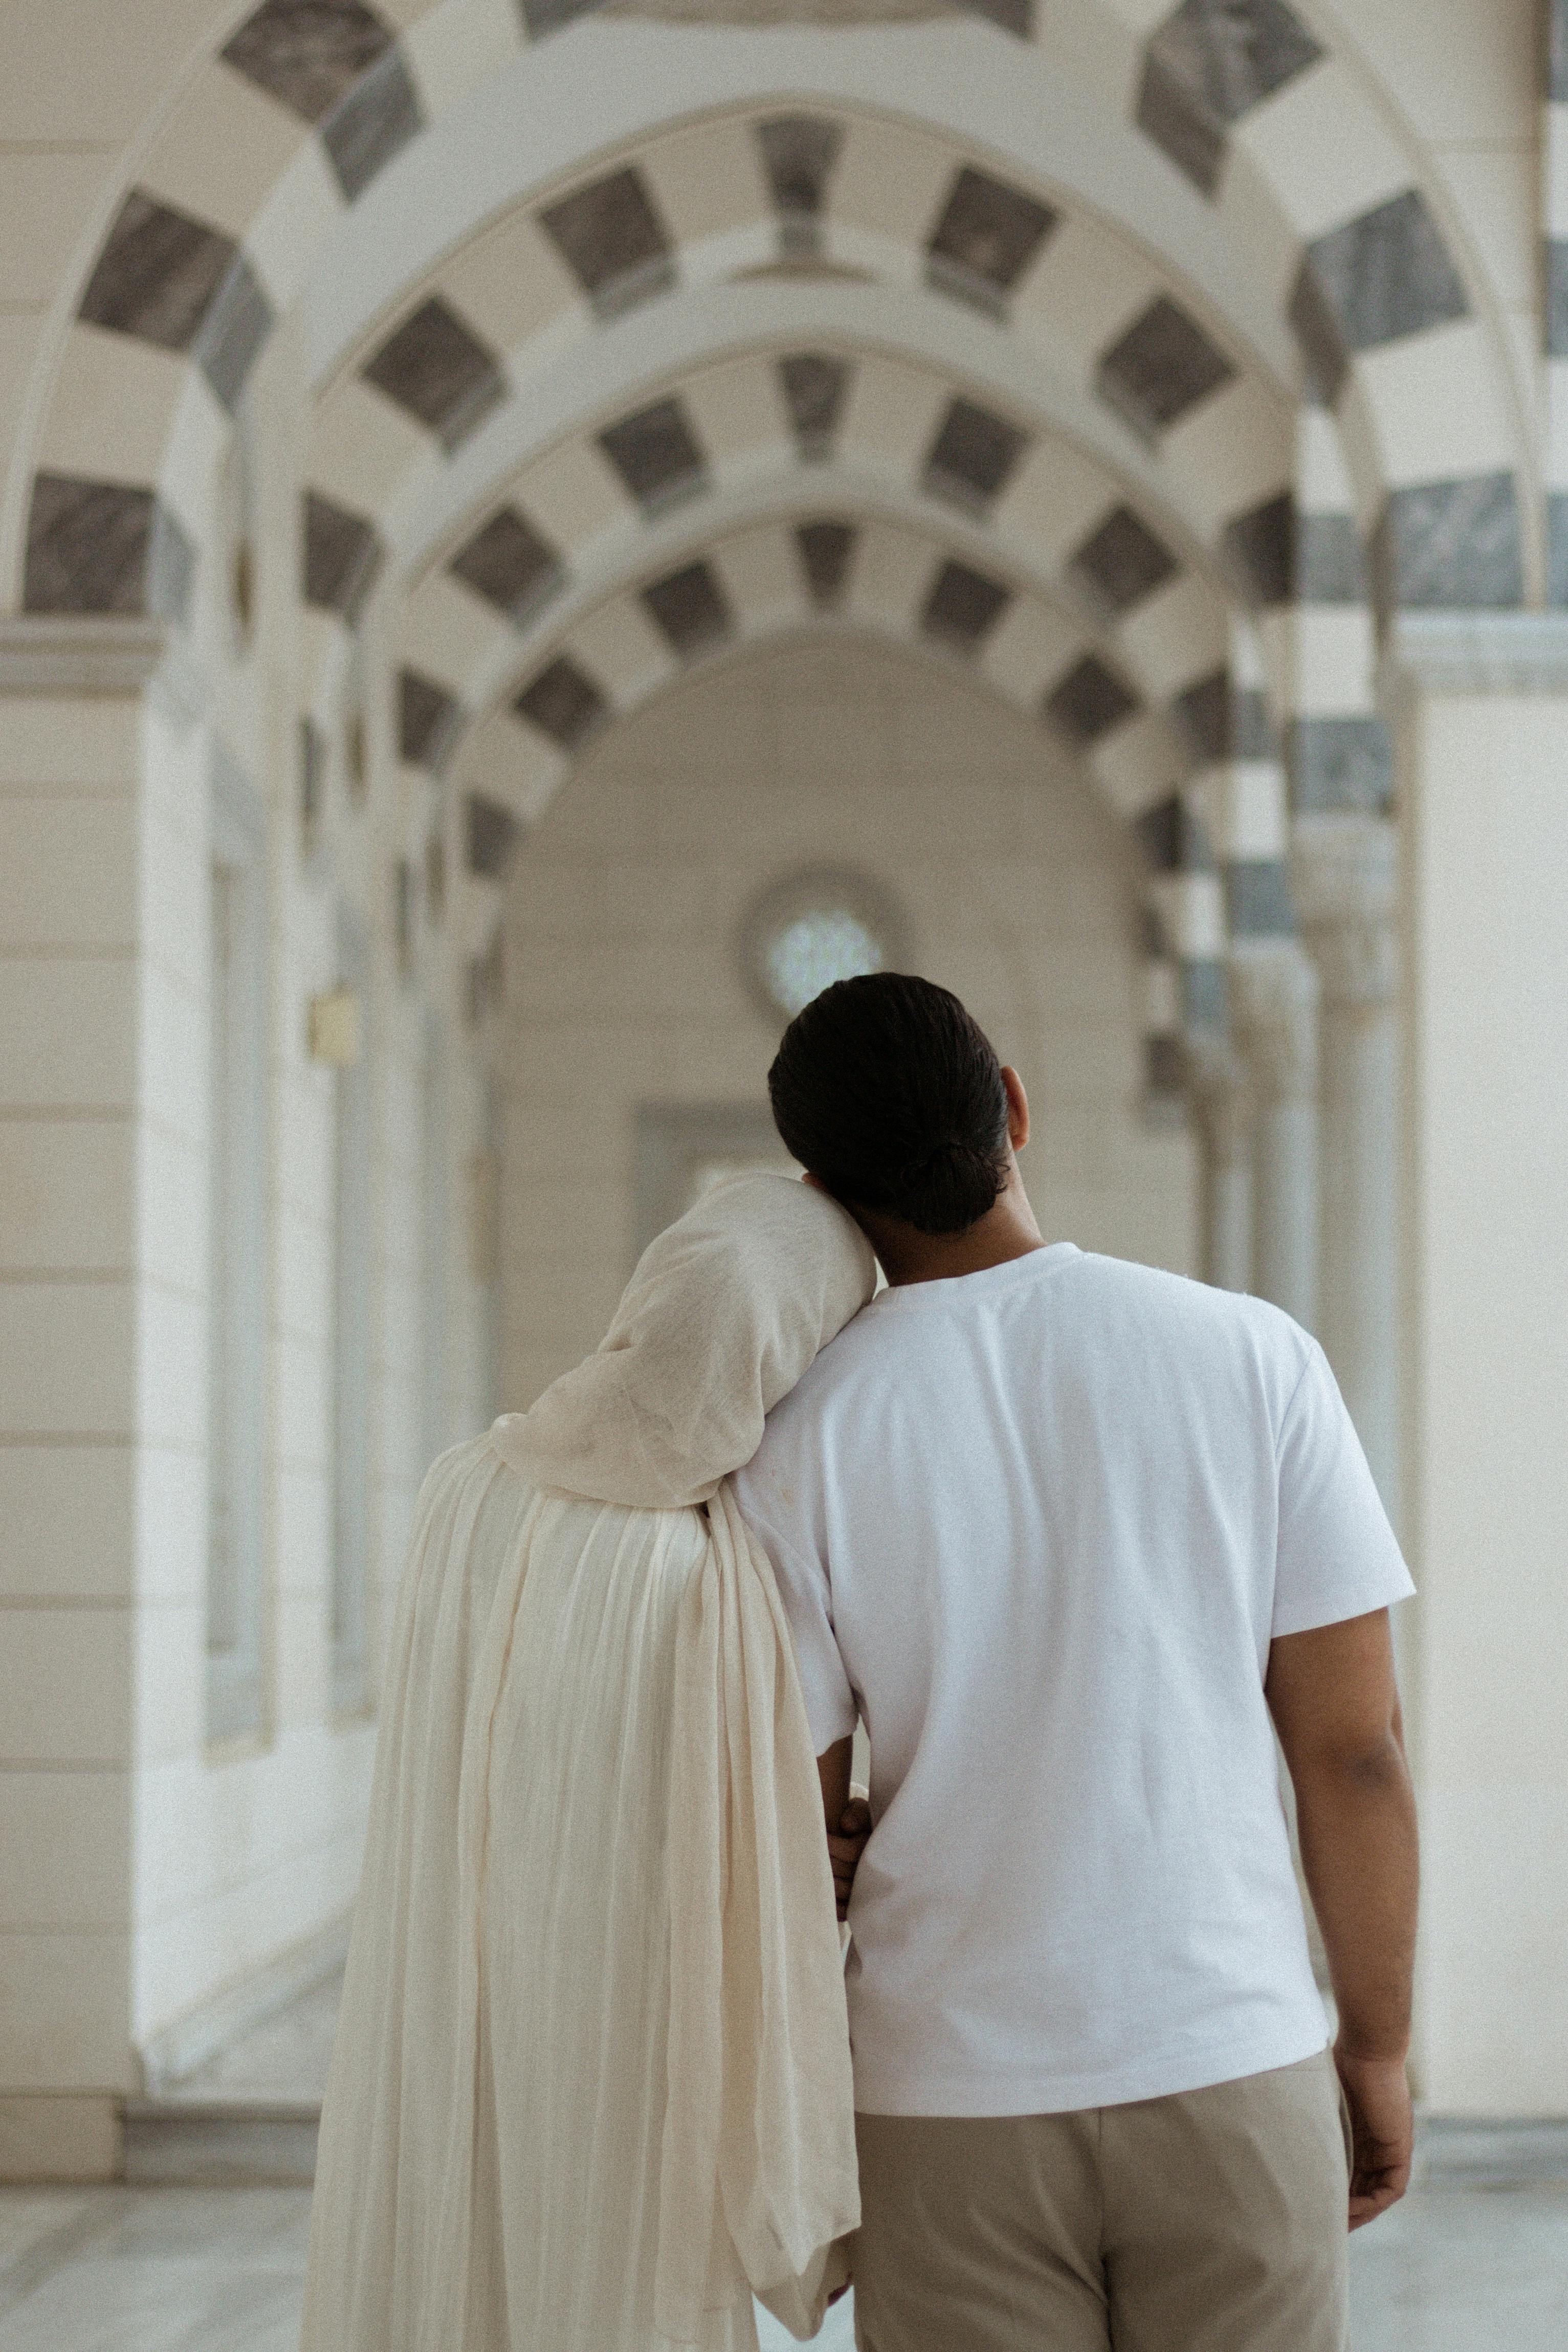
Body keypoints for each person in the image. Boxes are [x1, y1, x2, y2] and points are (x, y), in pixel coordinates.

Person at [731, 973, 1419, 2352]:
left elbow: (795, 1827)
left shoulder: (795, 1438)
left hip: (942, 2091)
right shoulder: (1252, 1357)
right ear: (1015, 1112)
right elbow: (1353, 1752)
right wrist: (1378, 2043)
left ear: (820, 1185)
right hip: (1229, 2048)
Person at [299, 1172, 877, 2352]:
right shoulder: (713, 1563)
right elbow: (766, 1856)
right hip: (631, 2037)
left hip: (453, 2003)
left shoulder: (465, 1486)